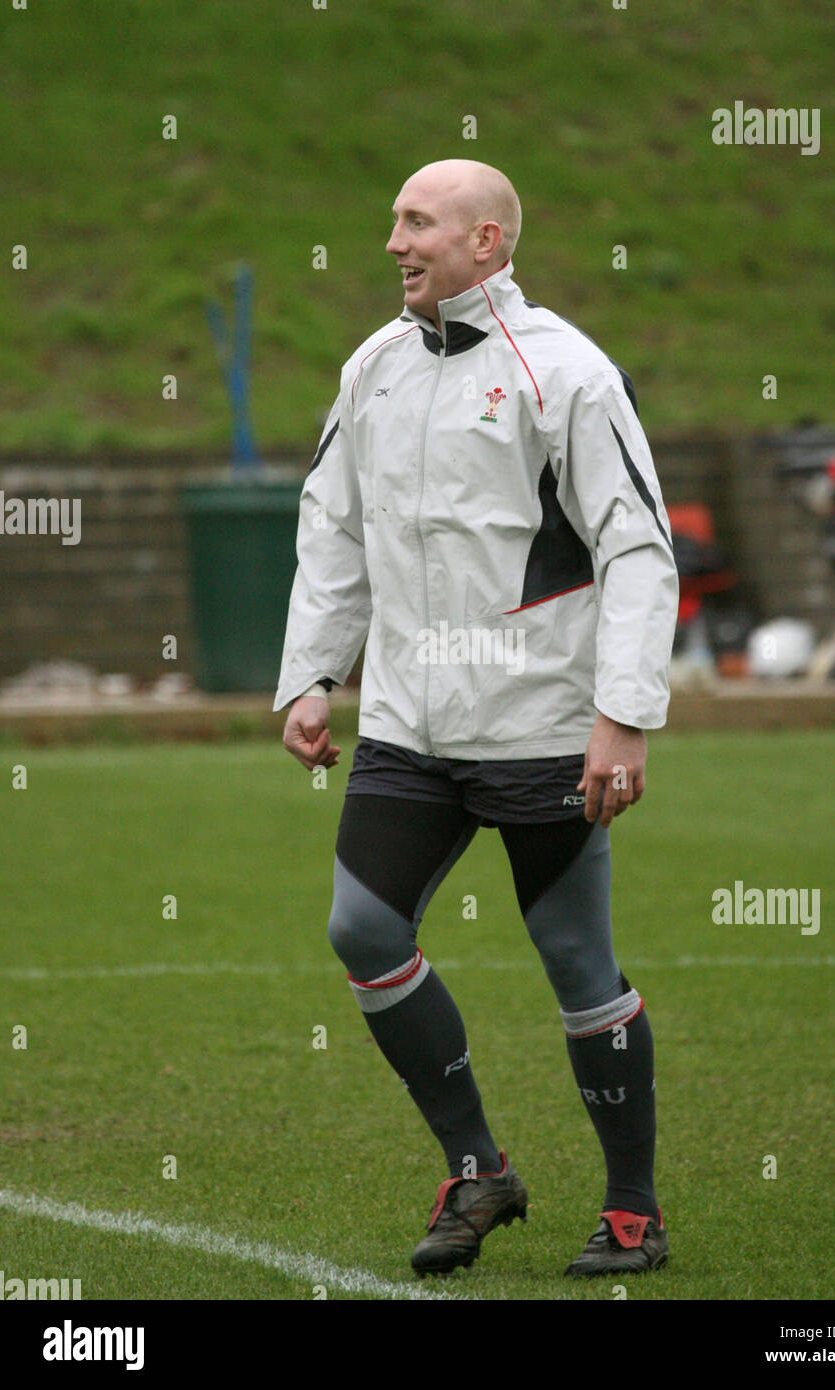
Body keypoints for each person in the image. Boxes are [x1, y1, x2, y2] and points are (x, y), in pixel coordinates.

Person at [275, 159, 679, 1279]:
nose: (394, 242)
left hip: (544, 728)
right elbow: (335, 526)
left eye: (418, 223)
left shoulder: (568, 374)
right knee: (361, 930)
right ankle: (478, 1168)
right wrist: (315, 673)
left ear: (488, 242)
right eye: (394, 219)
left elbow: (639, 548)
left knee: (575, 962)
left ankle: (633, 1209)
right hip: (409, 725)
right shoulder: (372, 368)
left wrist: (623, 717)